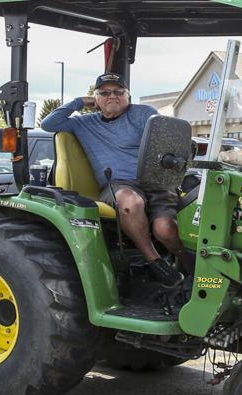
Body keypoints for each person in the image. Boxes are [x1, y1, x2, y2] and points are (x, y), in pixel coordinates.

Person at [39, 73, 184, 288]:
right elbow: (48, 124)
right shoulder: (84, 123)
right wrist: (79, 102)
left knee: (165, 229)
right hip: (118, 184)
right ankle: (154, 260)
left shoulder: (144, 114)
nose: (112, 96)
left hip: (155, 181)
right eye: (104, 93)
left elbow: (166, 141)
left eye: (118, 91)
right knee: (129, 202)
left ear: (128, 95)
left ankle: (187, 263)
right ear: (95, 99)